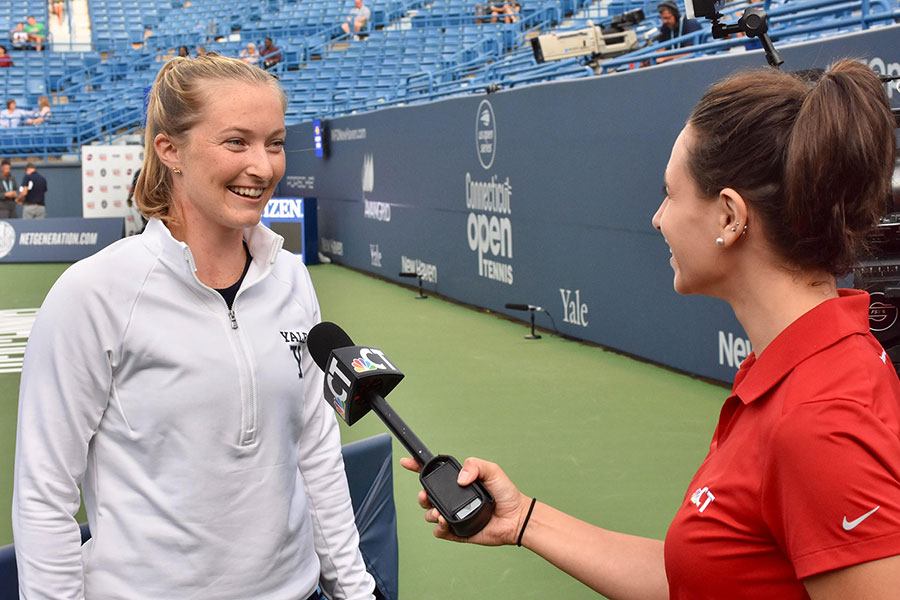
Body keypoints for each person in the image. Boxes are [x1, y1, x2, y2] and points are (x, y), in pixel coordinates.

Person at [402, 60, 900, 598]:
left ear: (730, 217)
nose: (658, 218)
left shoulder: (817, 419)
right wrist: (523, 519)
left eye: (670, 193)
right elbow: (707, 577)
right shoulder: (798, 369)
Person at [12, 53, 376, 600]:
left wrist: (355, 589)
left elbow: (315, 453)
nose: (263, 166)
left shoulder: (292, 279)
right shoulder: (94, 293)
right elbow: (44, 494)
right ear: (169, 150)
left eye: (274, 143)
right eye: (236, 142)